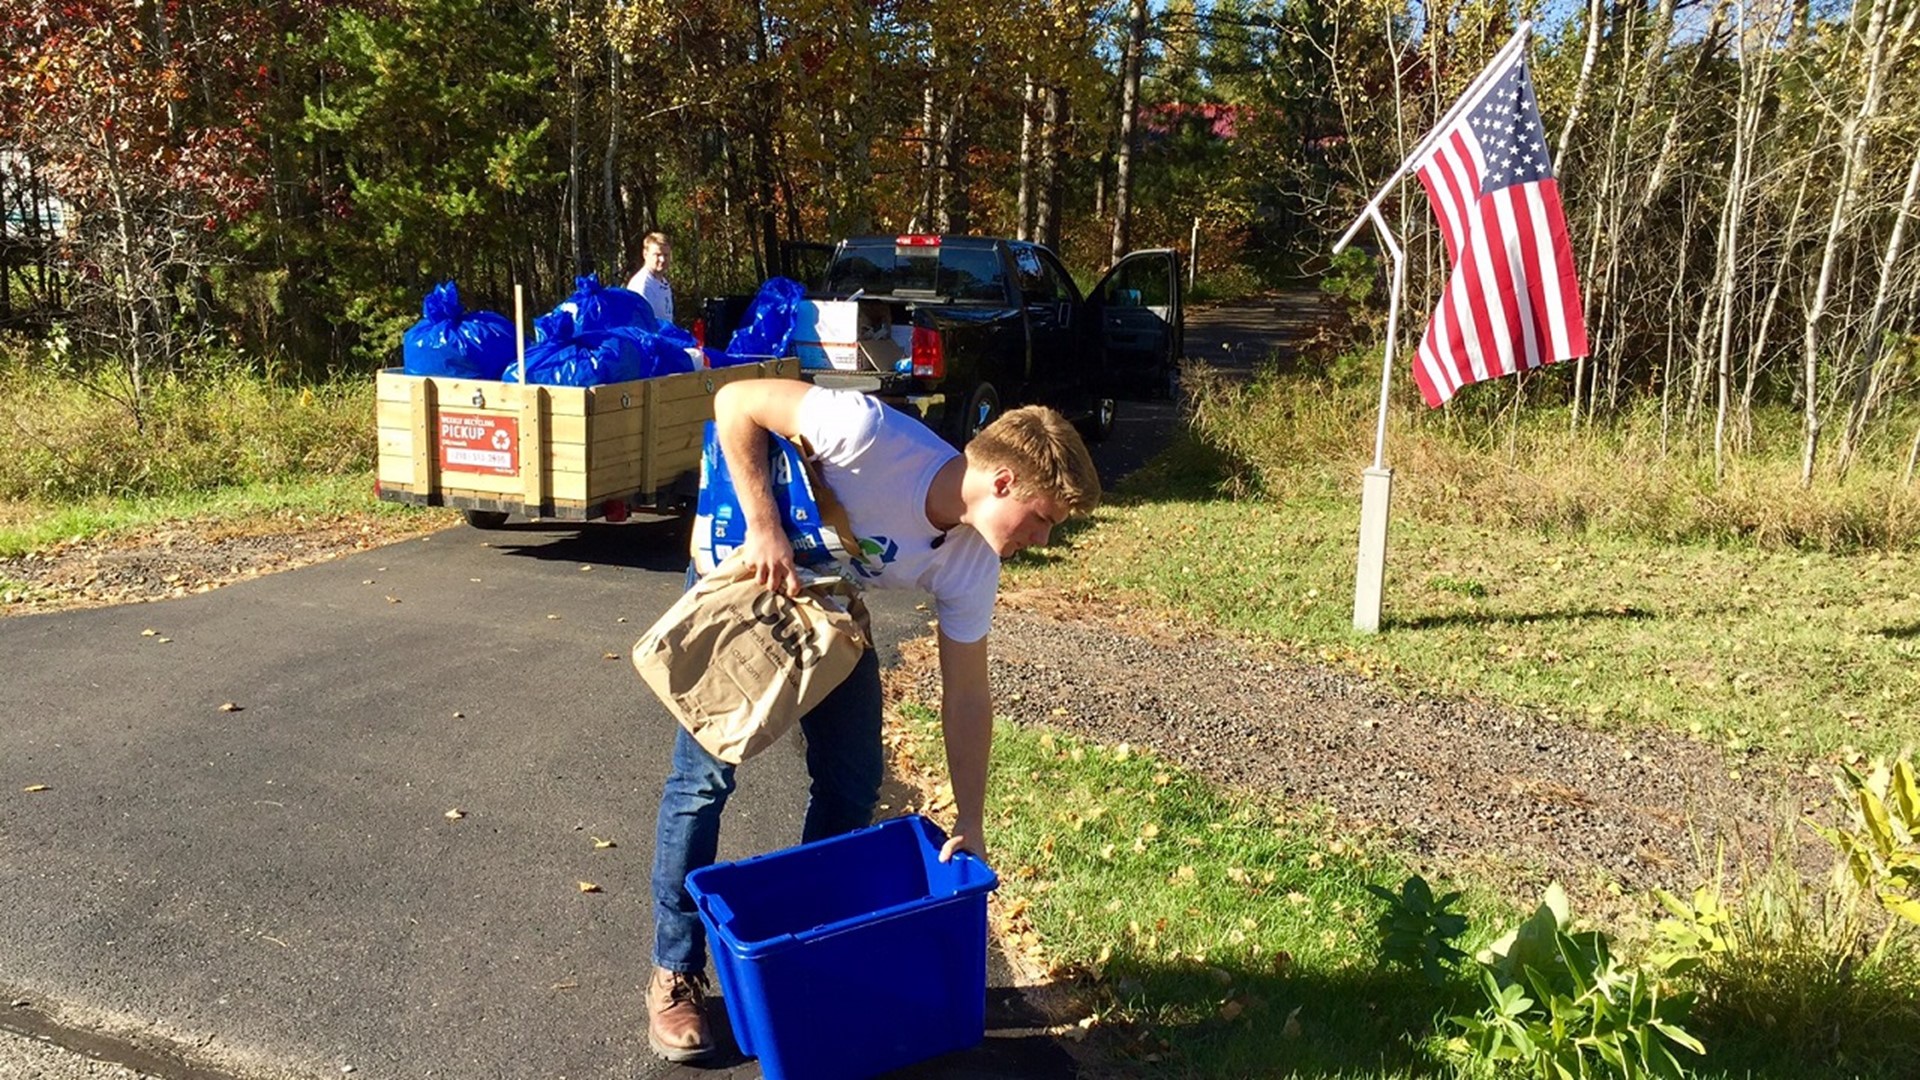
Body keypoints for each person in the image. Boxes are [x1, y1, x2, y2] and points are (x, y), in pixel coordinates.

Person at [645, 379, 1101, 1062]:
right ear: (1002, 481)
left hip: (826, 604)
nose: (1040, 539)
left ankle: (805, 956)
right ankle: (674, 971)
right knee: (703, 783)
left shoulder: (972, 562)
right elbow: (734, 402)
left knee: (852, 783)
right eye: (1040, 519)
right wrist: (766, 526)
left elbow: (968, 696)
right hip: (743, 577)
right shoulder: (864, 432)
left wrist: (971, 821)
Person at [625, 232, 675, 325]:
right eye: (657, 254)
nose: (662, 259)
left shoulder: (663, 283)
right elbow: (639, 326)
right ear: (645, 254)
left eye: (666, 255)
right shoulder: (642, 285)